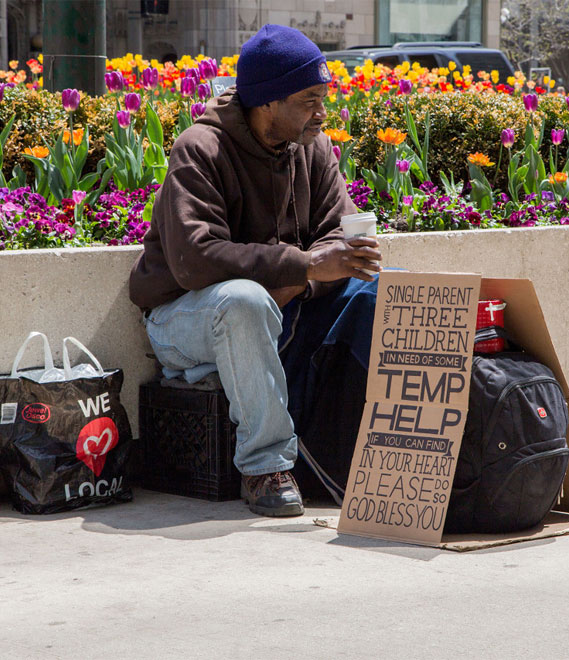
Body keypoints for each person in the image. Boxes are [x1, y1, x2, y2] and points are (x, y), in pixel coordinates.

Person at [128, 25, 381, 518]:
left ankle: (388, 449)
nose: (322, 111)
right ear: (267, 101)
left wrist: (308, 276)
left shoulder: (315, 146)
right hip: (183, 317)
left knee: (384, 285)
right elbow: (193, 258)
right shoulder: (200, 148)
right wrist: (303, 265)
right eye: (309, 98)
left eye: (323, 97)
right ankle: (265, 467)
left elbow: (334, 229)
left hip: (285, 303)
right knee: (245, 301)